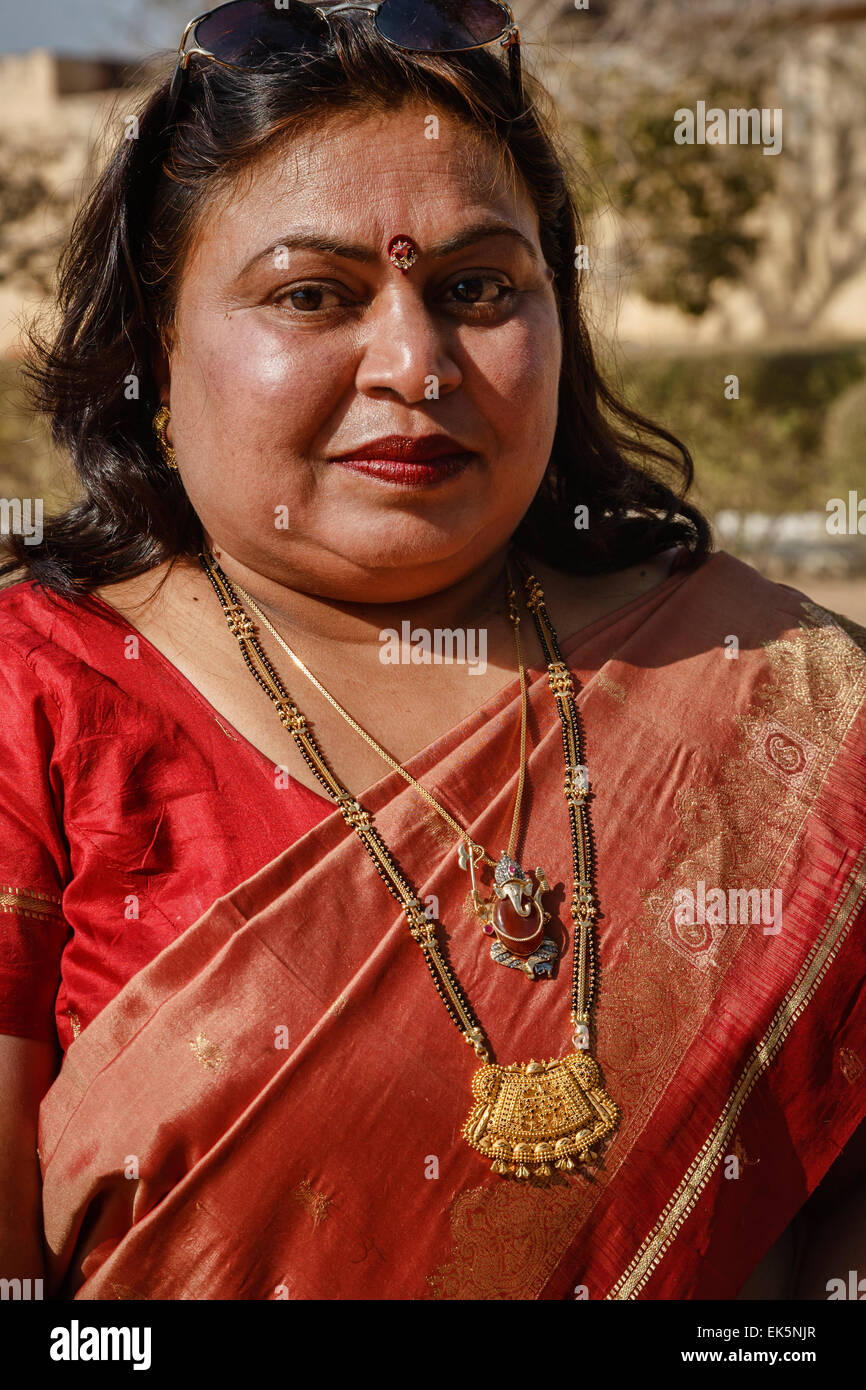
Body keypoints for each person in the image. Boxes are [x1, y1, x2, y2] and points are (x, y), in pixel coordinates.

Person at [0, 0, 863, 1301]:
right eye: (311, 293)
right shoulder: (37, 698)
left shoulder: (781, 691)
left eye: (476, 289)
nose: (416, 359)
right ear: (158, 351)